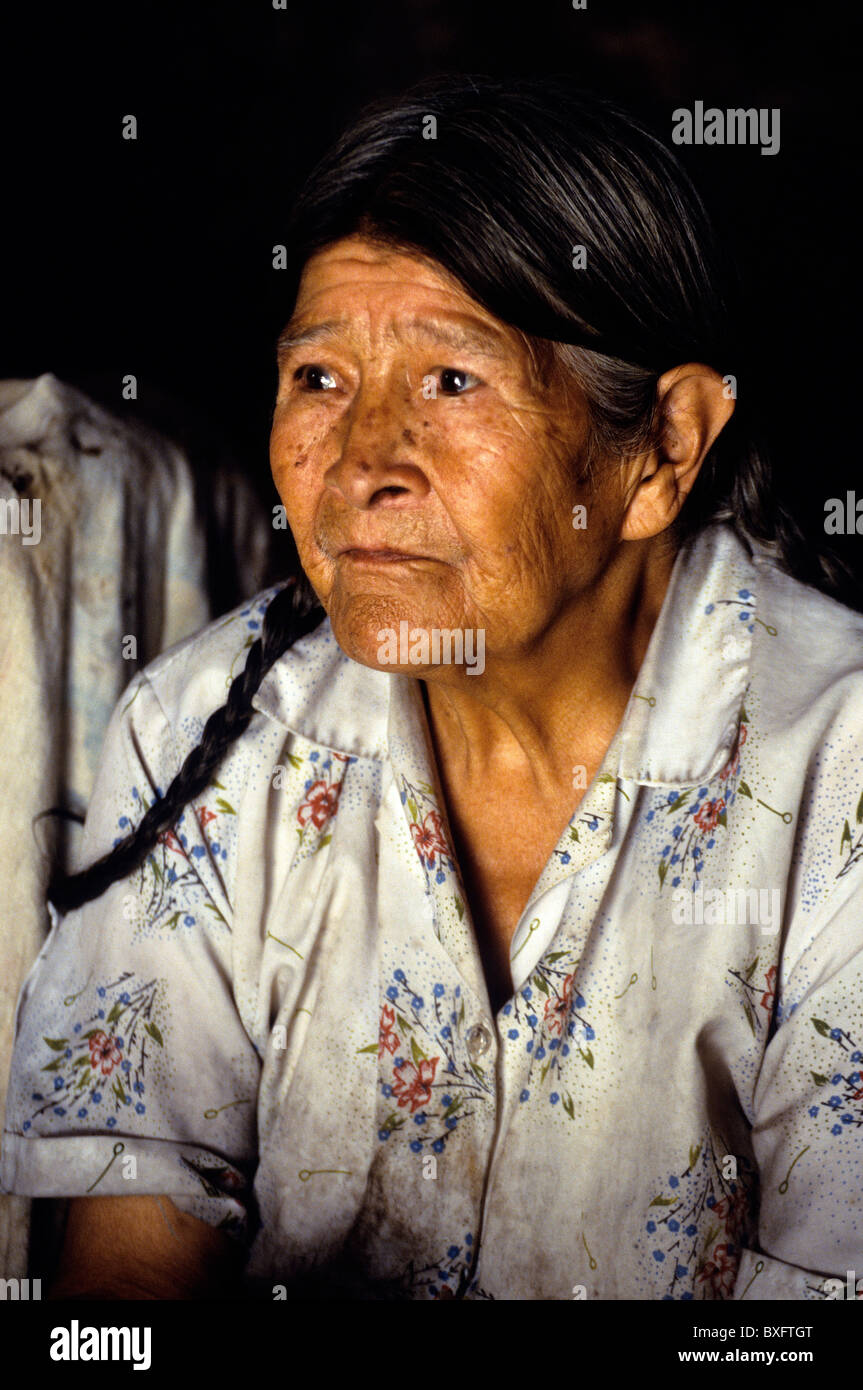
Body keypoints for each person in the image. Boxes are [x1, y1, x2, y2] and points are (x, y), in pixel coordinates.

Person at [2, 75, 861, 1301]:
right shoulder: (203, 733)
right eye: (319, 379)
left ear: (662, 449)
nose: (358, 463)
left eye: (452, 382)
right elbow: (127, 1298)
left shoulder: (838, 776)